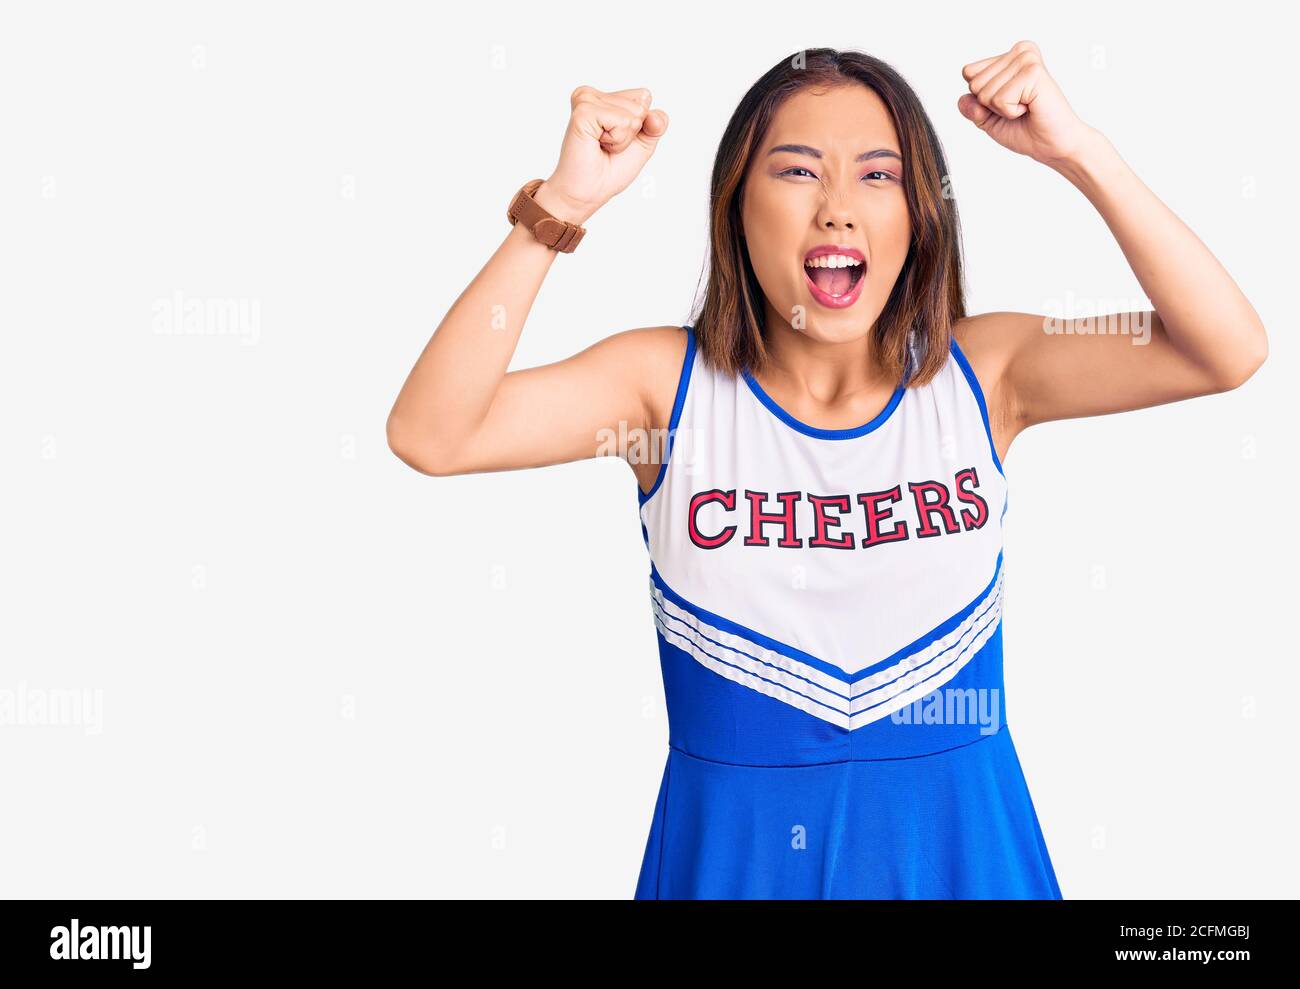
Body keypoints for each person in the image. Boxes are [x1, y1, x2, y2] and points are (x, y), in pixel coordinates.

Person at [386, 44, 1267, 899]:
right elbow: (434, 432)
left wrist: (1081, 152)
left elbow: (1225, 349)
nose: (838, 208)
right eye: (799, 171)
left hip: (963, 855)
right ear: (737, 203)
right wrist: (562, 202)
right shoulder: (663, 390)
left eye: (878, 175)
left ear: (920, 213)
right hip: (736, 860)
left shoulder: (986, 374)